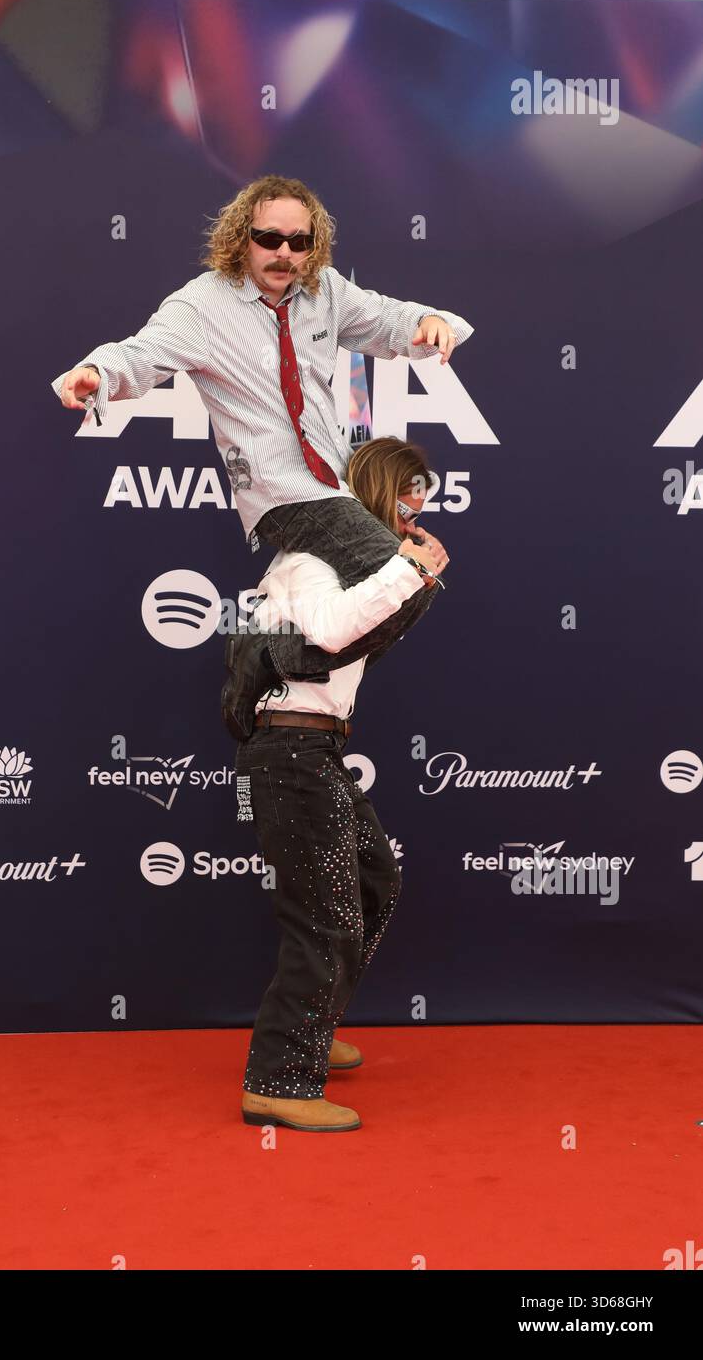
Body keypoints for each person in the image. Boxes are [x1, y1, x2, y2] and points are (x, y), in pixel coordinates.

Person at [51, 175, 473, 737]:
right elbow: (142, 353)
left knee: (407, 589)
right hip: (281, 490)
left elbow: (387, 320)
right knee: (399, 572)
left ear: (313, 247)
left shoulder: (325, 294)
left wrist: (429, 322)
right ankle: (267, 662)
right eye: (269, 238)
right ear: (239, 238)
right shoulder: (202, 305)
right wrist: (96, 373)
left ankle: (267, 663)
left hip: (332, 487)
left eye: (299, 243)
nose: (284, 253)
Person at [237, 437, 446, 1133]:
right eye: (413, 493)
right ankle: (280, 1080)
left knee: (372, 882)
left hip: (312, 749)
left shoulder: (355, 560)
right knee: (326, 917)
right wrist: (407, 571)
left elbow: (361, 640)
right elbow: (329, 634)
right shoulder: (313, 554)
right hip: (292, 751)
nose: (420, 509)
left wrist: (414, 579)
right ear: (385, 492)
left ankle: (312, 1029)